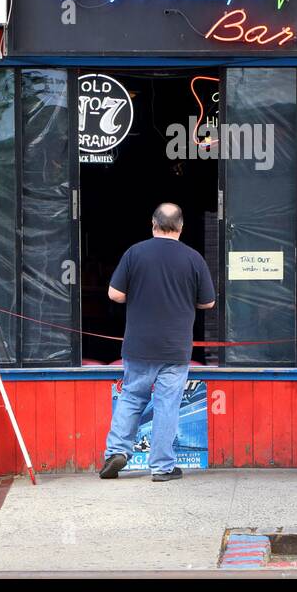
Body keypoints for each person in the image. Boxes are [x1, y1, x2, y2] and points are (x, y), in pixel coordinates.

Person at [99, 202, 216, 482]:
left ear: (153, 223)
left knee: (131, 397)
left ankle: (117, 452)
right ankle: (162, 467)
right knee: (167, 404)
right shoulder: (193, 259)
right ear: (181, 227)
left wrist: (138, 295)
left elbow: (114, 294)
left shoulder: (134, 253)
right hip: (175, 347)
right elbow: (208, 302)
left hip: (138, 345)